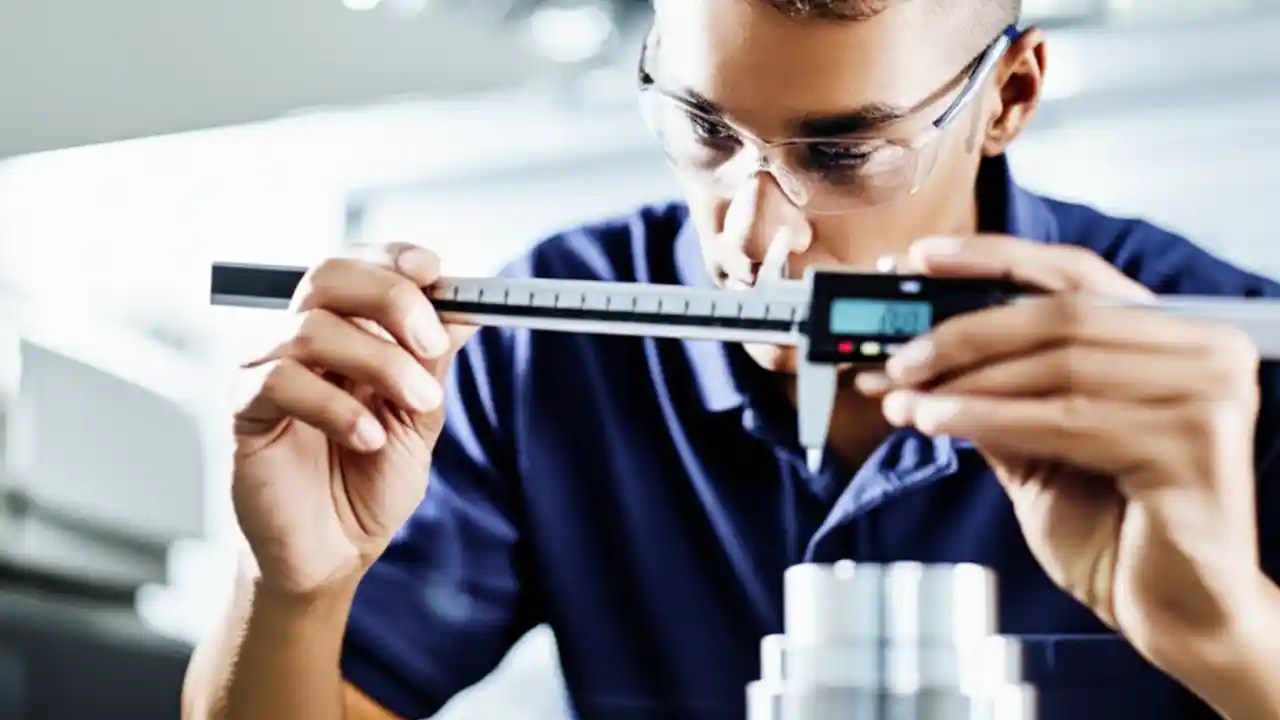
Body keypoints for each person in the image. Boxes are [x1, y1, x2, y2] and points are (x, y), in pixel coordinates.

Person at [181, 0, 1280, 718]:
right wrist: (288, 588)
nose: (755, 240)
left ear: (1009, 96)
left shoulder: (1223, 374)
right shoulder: (537, 356)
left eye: (845, 152)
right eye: (704, 130)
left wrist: (1227, 636)